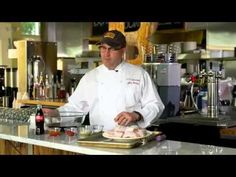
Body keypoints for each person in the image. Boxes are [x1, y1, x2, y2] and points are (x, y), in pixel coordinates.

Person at [45, 30, 164, 131]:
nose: (106, 54)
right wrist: (55, 113)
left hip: (130, 138)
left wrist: (136, 115)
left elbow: (155, 105)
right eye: (103, 48)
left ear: (123, 50)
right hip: (98, 138)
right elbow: (75, 107)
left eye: (111, 49)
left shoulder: (139, 74)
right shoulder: (90, 77)